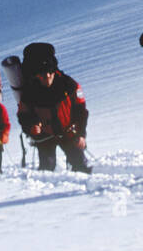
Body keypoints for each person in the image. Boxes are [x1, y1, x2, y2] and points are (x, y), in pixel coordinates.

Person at [17, 42, 91, 173]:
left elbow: (82, 112)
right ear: (36, 75)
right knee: (47, 170)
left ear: (54, 71)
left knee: (81, 166)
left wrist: (81, 134)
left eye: (49, 73)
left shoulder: (70, 85)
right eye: (42, 74)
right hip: (45, 137)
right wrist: (31, 127)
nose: (47, 77)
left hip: (68, 133)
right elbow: (23, 115)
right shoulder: (29, 93)